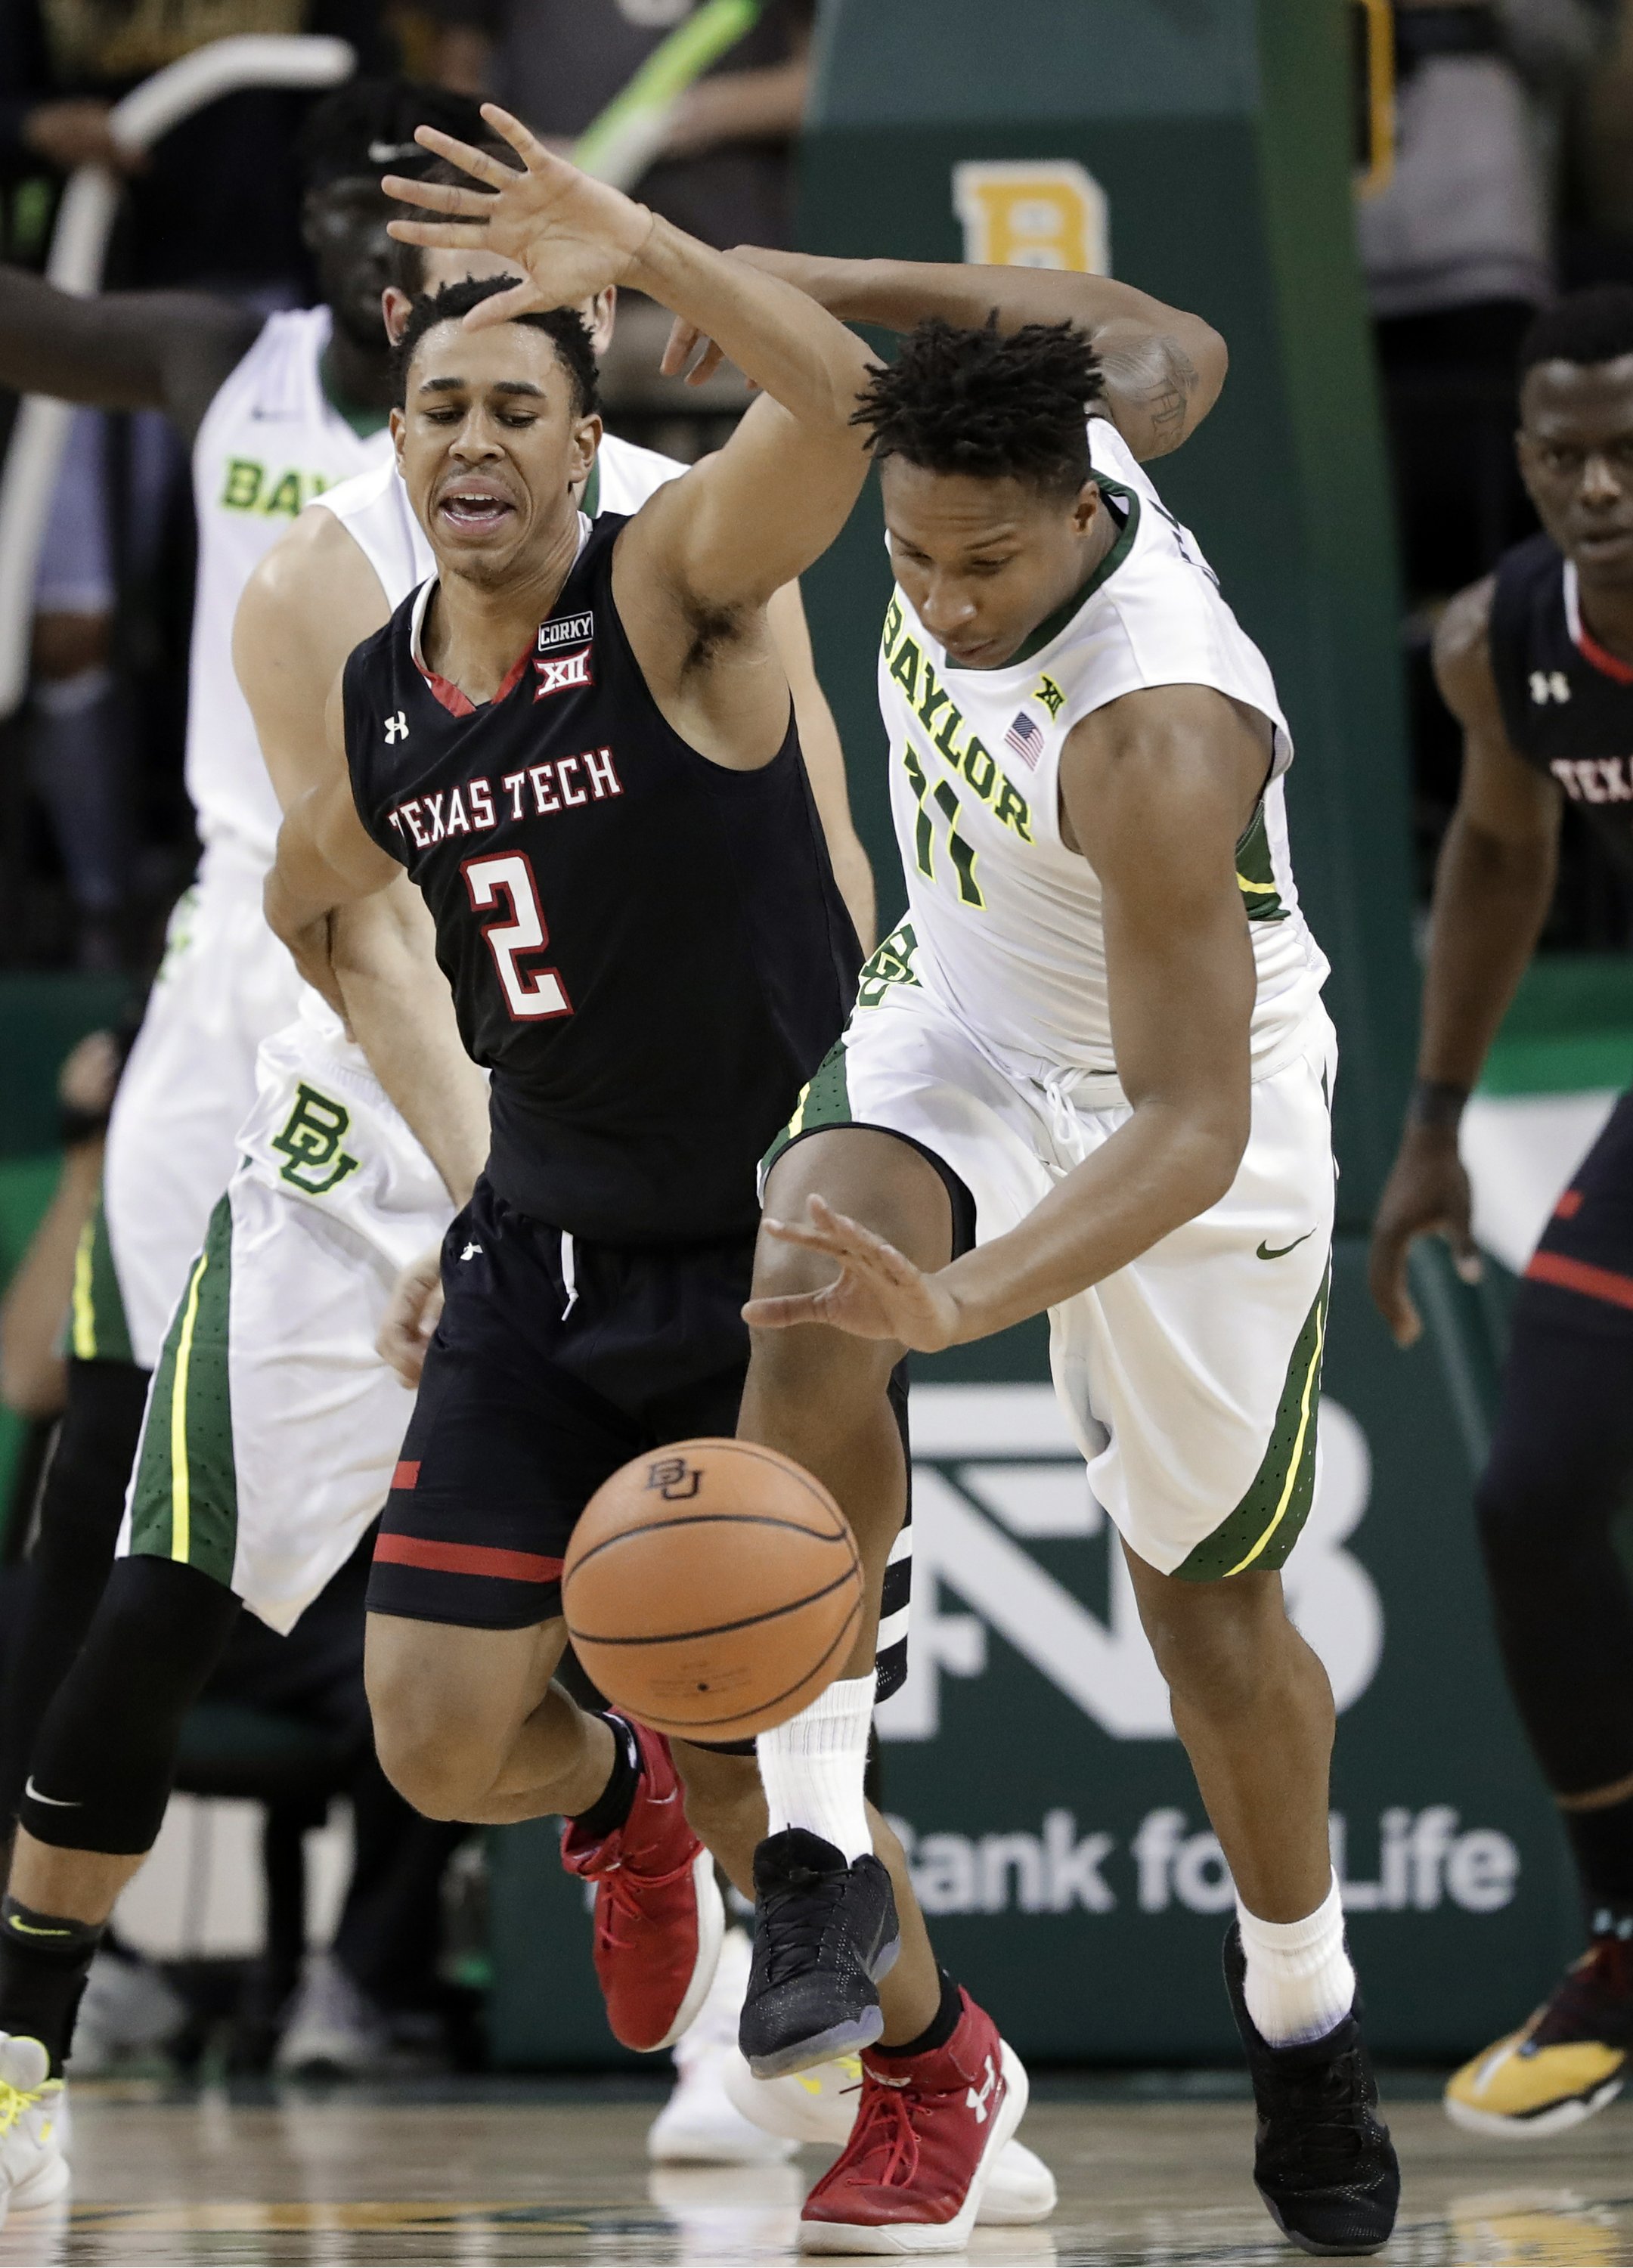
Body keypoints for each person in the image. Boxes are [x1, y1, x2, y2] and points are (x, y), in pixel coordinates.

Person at [269, 109, 1044, 2249]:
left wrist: (640, 240)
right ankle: (601, 1805)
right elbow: (316, 888)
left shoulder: (676, 588)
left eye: (521, 406)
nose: (475, 446)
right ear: (400, 444)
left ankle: (935, 2065)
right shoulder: (383, 696)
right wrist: (431, 1114)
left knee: (762, 1755)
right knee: (434, 1737)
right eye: (440, 411)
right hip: (540, 1258)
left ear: (588, 440)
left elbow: (845, 403)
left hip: (772, 1250)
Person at [664, 247, 1400, 2253]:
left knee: (1209, 1628)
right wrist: (710, 262)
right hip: (966, 1019)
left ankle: (1301, 2008)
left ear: (1087, 508)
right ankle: (818, 1856)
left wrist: (974, 1301)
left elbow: (1190, 1125)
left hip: (1187, 1101)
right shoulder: (1037, 433)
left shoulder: (1158, 729)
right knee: (807, 1278)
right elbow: (1126, 333)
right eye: (914, 564)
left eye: (987, 569)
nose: (949, 604)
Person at [0, 79, 500, 1863]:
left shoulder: (540, 422)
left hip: (462, 958)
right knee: (107, 1446)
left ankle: (675, 1904)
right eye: (374, 203)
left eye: (444, 208)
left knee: (527, 1442)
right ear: (314, 230)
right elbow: (33, 318)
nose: (403, 240)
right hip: (240, 946)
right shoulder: (230, 365)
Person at [1371, 284, 1633, 2136]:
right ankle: (1623, 1934)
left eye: (1631, 451)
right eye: (1564, 454)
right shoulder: (1503, 641)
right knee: (1531, 1491)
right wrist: (1437, 1124)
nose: (1599, 485)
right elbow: (1496, 847)